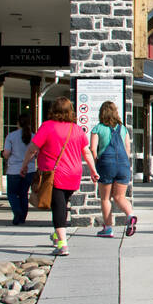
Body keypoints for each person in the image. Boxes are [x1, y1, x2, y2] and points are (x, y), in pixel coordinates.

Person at [21, 97, 98, 256]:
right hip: (74, 173)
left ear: (53, 110)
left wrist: (24, 165)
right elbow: (87, 152)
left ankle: (63, 244)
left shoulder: (48, 127)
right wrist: (93, 170)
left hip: (54, 174)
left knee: (58, 207)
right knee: (62, 204)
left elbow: (32, 149)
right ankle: (57, 235)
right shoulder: (76, 129)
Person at [90, 100, 136, 237]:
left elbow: (93, 148)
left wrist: (97, 161)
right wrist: (123, 162)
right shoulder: (123, 128)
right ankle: (130, 216)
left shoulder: (98, 128)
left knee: (105, 198)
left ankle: (108, 228)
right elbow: (128, 149)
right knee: (119, 196)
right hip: (123, 164)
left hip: (106, 164)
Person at [2, 111, 36, 226]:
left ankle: (17, 211)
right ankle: (23, 217)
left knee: (12, 193)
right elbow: (37, 153)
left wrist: (2, 154)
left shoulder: (11, 136)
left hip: (14, 169)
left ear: (18, 123)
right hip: (30, 169)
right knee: (24, 193)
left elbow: (6, 153)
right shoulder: (34, 136)